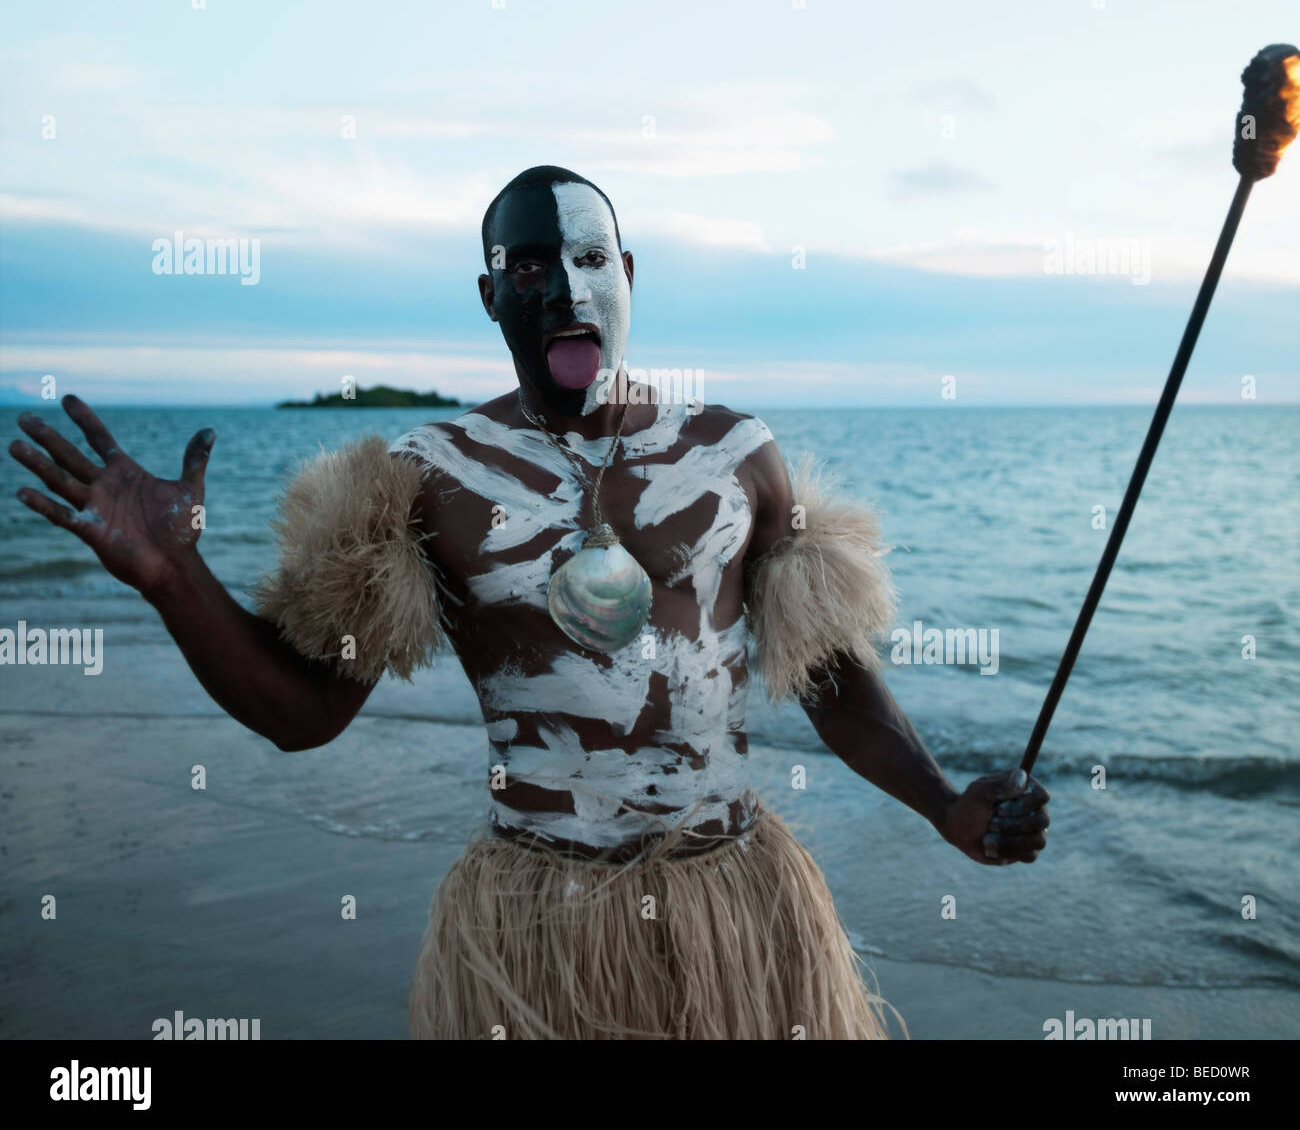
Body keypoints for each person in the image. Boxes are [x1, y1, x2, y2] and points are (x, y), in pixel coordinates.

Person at [9, 164, 1049, 1040]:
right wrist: (171, 577)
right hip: (534, 922)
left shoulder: (737, 456)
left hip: (738, 903)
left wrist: (943, 801)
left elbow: (829, 678)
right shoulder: (425, 478)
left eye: (591, 260)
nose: (565, 288)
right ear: (488, 294)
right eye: (530, 265)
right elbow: (303, 711)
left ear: (629, 276)